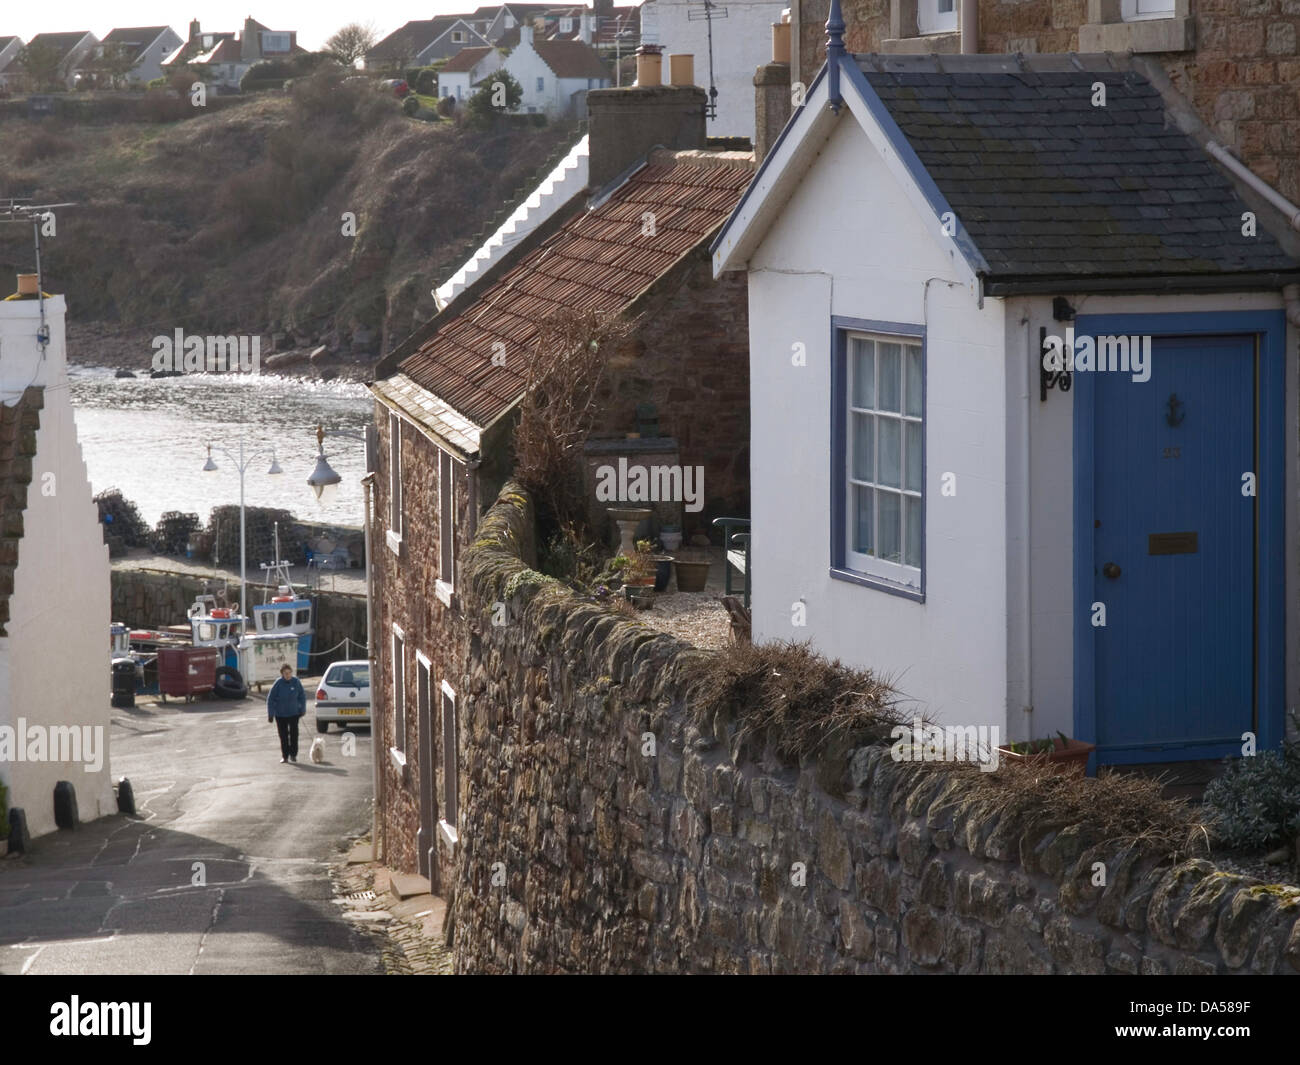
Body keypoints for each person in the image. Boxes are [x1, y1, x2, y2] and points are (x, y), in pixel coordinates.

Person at [267, 663, 306, 763]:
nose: (288, 675)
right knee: (283, 736)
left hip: (293, 713)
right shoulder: (278, 683)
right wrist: (270, 714)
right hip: (280, 714)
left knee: (294, 735)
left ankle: (293, 754)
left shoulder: (296, 682)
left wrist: (302, 709)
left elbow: (302, 696)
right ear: (282, 674)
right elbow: (270, 699)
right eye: (286, 673)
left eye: (289, 673)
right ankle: (285, 756)